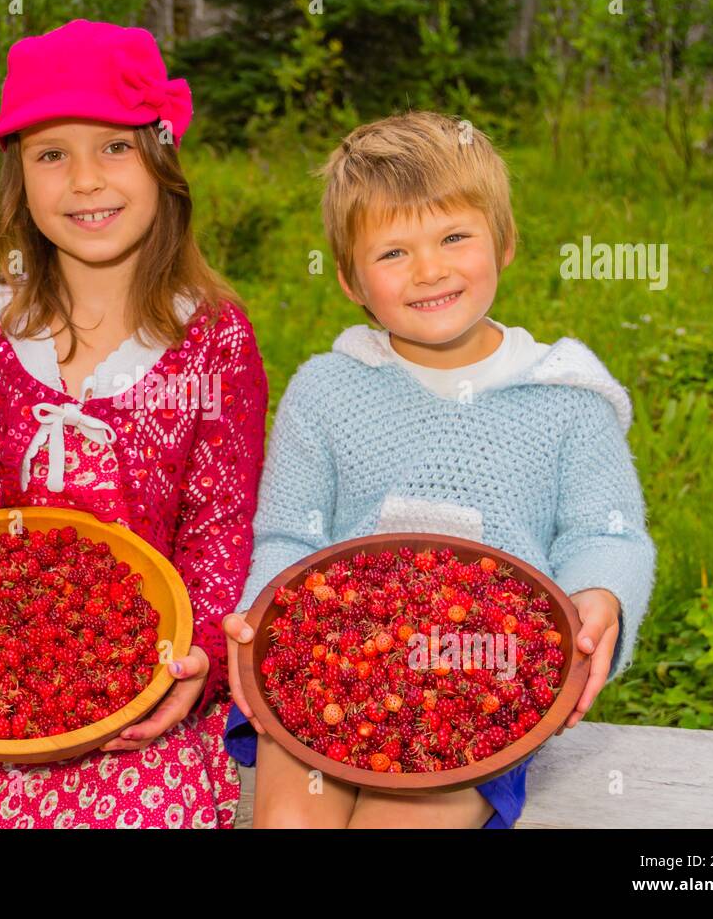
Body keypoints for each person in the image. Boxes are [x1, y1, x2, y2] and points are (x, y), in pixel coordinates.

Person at [0, 19, 268, 828]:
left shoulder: (212, 339)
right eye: (50, 154)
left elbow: (219, 531)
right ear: (18, 180)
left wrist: (198, 655)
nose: (84, 181)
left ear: (164, 161)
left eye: (115, 147)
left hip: (139, 690)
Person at [223, 111, 656, 828]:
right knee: (288, 822)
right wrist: (265, 616)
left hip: (482, 678)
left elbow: (605, 532)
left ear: (506, 242)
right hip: (329, 658)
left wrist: (602, 594)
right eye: (393, 252)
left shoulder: (566, 395)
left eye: (455, 236)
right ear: (349, 279)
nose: (429, 270)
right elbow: (288, 537)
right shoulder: (328, 390)